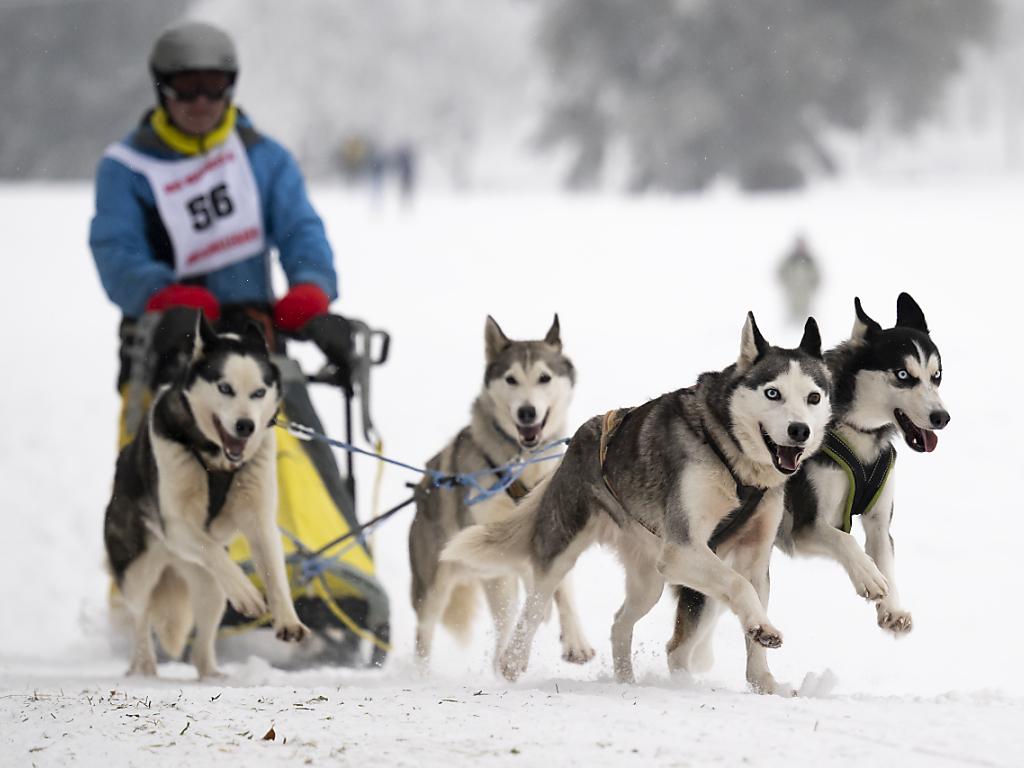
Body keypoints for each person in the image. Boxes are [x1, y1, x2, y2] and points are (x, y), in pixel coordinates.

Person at [90, 19, 337, 411]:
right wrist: (161, 294)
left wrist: (311, 286)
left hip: (256, 345)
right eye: (187, 89)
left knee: (298, 469)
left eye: (214, 86)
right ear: (162, 87)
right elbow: (116, 248)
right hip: (165, 345)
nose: (201, 102)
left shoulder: (264, 158)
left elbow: (300, 229)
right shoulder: (127, 168)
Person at [776, 235, 822, 326]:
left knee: (805, 314)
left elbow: (817, 276)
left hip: (806, 293)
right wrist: (787, 285)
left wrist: (812, 287)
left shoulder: (810, 260)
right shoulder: (789, 260)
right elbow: (780, 272)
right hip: (792, 292)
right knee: (791, 312)